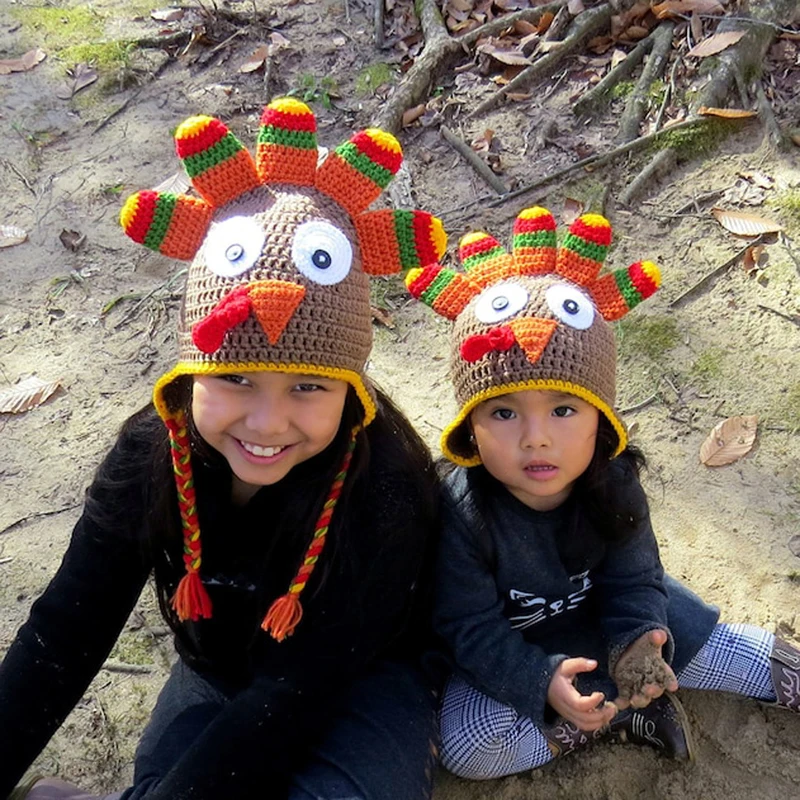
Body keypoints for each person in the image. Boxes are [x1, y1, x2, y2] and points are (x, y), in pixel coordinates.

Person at [0, 98, 449, 800]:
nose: (267, 423)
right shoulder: (149, 456)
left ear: (351, 387)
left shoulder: (385, 487)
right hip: (219, 665)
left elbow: (303, 689)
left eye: (308, 386)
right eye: (236, 378)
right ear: (191, 371)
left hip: (362, 676)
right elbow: (67, 629)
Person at [405, 206, 800, 779]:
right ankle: (616, 717)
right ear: (470, 427)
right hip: (524, 646)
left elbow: (636, 578)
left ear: (601, 418)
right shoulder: (461, 511)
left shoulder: (613, 480)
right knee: (471, 747)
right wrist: (542, 682)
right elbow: (469, 628)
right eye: (504, 412)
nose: (536, 438)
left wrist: (639, 640)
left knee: (733, 655)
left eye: (563, 410)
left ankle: (738, 677)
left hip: (616, 624)